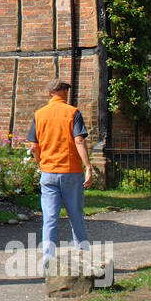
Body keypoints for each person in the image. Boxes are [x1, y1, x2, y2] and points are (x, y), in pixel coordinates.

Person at [25, 78, 93, 274]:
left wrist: (40, 162)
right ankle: (82, 257)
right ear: (66, 93)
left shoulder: (40, 115)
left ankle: (48, 262)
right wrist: (87, 166)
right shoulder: (73, 113)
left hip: (48, 172)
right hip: (71, 171)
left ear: (50, 94)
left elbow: (34, 146)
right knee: (76, 216)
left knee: (50, 218)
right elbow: (79, 140)